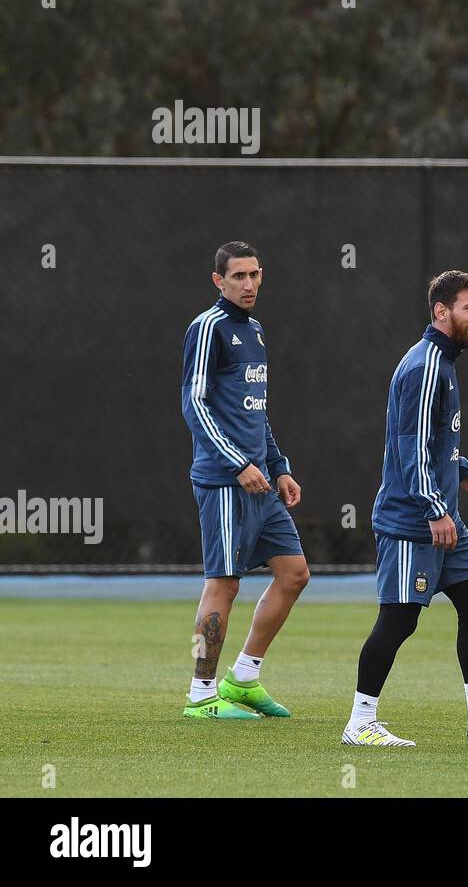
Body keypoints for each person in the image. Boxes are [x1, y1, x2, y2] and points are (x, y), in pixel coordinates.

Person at [342, 270, 468, 747]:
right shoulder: (427, 365)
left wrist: (463, 469)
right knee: (399, 619)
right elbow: (408, 449)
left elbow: (433, 439)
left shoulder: (443, 362)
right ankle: (359, 722)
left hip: (441, 515)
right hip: (414, 521)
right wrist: (435, 508)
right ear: (441, 311)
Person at [180, 241, 309, 720]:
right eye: (239, 276)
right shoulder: (207, 327)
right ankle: (200, 697)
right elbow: (195, 405)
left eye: (256, 274)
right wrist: (238, 463)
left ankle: (244, 678)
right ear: (219, 281)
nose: (250, 284)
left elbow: (255, 411)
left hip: (260, 480)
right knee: (223, 586)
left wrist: (279, 466)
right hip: (225, 482)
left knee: (295, 574)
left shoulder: (254, 330)